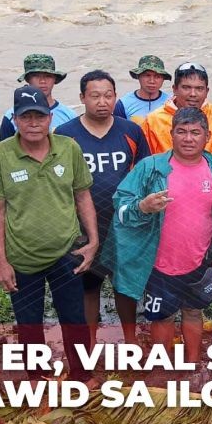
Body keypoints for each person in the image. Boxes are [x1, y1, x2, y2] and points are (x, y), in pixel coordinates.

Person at [0, 85, 99, 386]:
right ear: (15, 119)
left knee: (74, 318)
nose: (33, 123)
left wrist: (93, 241)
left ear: (50, 117)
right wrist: (1, 261)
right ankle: (37, 376)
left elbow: (83, 195)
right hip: (22, 255)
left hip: (66, 251)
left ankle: (82, 374)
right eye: (26, 117)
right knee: (29, 323)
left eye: (40, 116)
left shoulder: (69, 148)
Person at [110, 107, 212, 371]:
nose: (188, 138)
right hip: (157, 260)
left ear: (207, 136)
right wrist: (142, 207)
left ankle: (191, 364)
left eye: (195, 132)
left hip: (200, 258)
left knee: (193, 312)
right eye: (182, 132)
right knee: (161, 316)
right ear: (171, 134)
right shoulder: (150, 167)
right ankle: (162, 367)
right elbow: (120, 205)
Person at [55, 70, 151, 345]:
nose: (102, 101)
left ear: (116, 98)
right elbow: (60, 183)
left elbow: (143, 176)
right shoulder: (65, 135)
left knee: (125, 287)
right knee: (88, 287)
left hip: (124, 225)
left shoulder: (131, 131)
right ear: (82, 98)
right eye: (95, 95)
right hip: (84, 228)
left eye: (108, 95)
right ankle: (89, 344)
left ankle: (131, 341)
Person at [141, 62, 212, 155]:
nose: (193, 94)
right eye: (186, 88)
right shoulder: (153, 121)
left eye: (199, 89)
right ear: (175, 89)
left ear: (207, 91)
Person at [0, 54, 78, 140]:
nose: (43, 81)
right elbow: (4, 150)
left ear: (54, 79)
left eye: (48, 76)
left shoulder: (69, 115)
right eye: (36, 76)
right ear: (27, 79)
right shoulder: (11, 116)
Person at [114, 55, 172, 123]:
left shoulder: (172, 102)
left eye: (157, 76)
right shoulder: (123, 104)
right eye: (147, 75)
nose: (152, 81)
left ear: (163, 79)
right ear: (138, 76)